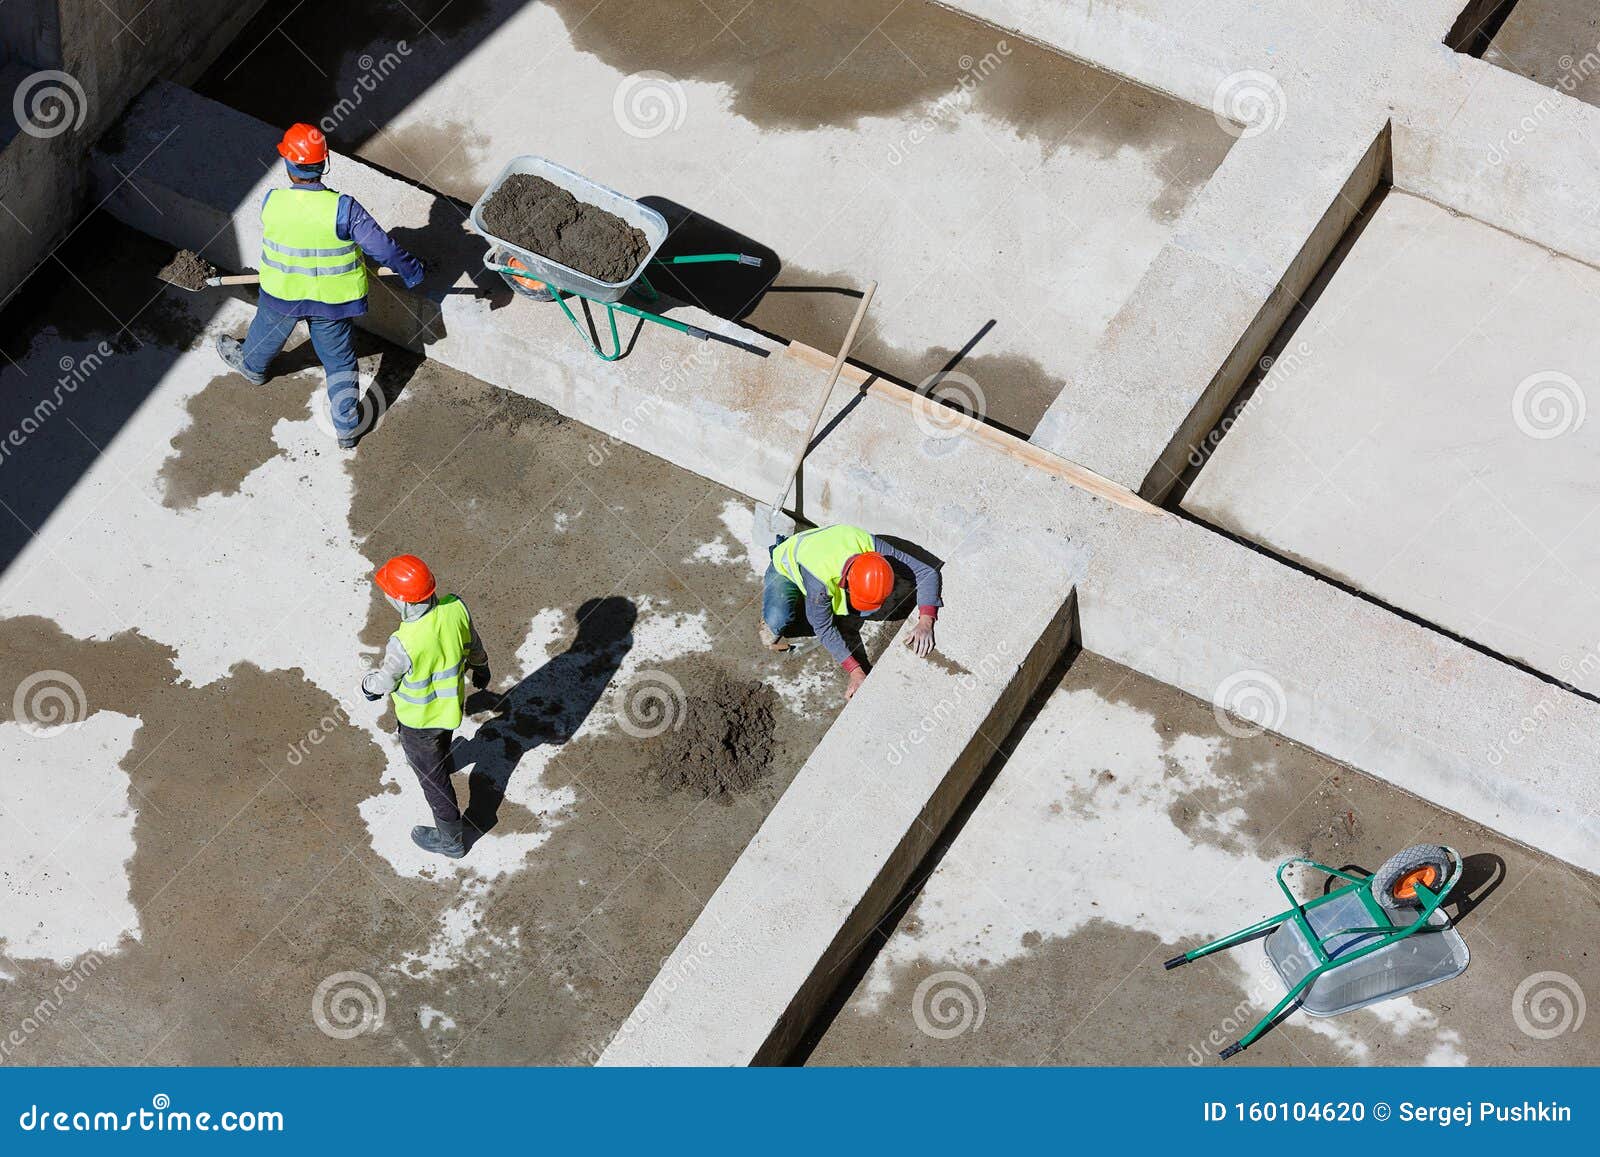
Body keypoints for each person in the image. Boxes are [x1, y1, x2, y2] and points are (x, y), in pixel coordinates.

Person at [216, 122, 424, 448]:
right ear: (324, 163)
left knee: (265, 332)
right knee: (339, 360)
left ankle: (253, 367)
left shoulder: (272, 201)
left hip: (283, 292)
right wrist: (411, 271)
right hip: (332, 302)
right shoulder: (345, 209)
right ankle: (346, 428)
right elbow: (382, 248)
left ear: (287, 165)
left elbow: (296, 235)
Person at [361, 554, 489, 858]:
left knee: (433, 782)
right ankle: (443, 760)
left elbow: (387, 681)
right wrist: (481, 666)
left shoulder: (403, 642)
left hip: (418, 724)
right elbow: (473, 642)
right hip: (449, 710)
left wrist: (369, 686)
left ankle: (451, 842)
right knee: (442, 743)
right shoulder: (455, 607)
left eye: (389, 594)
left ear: (403, 602)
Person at [761, 524, 941, 700]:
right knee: (778, 619)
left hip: (818, 546)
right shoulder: (820, 583)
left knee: (852, 610)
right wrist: (855, 672)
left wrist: (926, 621)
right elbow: (823, 628)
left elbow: (926, 572)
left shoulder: (871, 546)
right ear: (846, 583)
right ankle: (773, 618)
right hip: (786, 563)